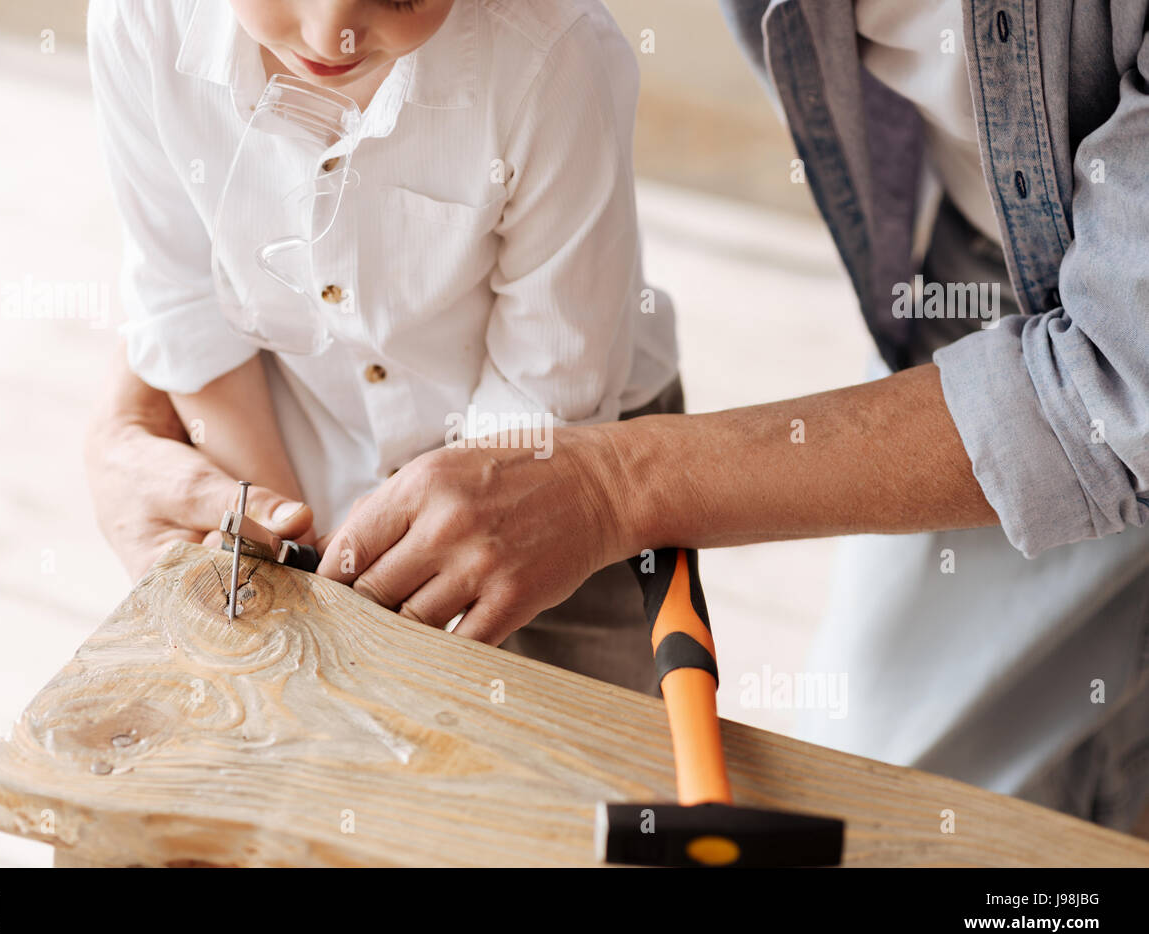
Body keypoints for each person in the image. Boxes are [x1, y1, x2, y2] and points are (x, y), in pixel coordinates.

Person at [86, 0, 1149, 829]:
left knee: (893, 812)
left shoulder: (552, 59)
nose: (329, 33)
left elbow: (1116, 384)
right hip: (997, 268)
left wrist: (603, 488)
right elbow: (194, 272)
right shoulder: (143, 36)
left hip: (1108, 336)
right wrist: (159, 420)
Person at [84, 0, 679, 694]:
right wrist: (287, 544)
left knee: (578, 746)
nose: (326, 35)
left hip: (558, 460)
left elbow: (546, 384)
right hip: (291, 431)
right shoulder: (141, 22)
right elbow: (182, 302)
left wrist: (401, 593)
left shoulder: (559, 58)